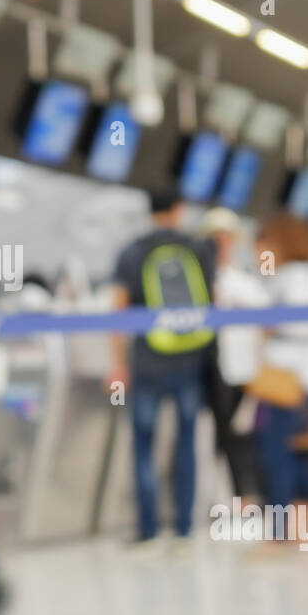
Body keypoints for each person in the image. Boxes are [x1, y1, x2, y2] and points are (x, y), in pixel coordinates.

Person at [107, 188, 215, 549]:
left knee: (143, 446)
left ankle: (149, 529)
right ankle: (184, 527)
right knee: (187, 445)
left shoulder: (134, 251)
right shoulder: (198, 249)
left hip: (148, 362)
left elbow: (118, 311)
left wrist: (117, 364)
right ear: (179, 209)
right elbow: (213, 304)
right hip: (190, 359)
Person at [252, 213, 308, 512]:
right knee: (303, 452)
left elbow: (291, 325)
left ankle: (280, 527)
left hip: (291, 380)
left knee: (279, 454)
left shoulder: (293, 276)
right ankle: (302, 525)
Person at [200, 207, 268, 502]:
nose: (220, 244)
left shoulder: (247, 285)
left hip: (240, 372)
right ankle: (211, 500)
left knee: (238, 439)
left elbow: (267, 327)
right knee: (209, 438)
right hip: (206, 370)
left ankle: (243, 500)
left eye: (225, 237)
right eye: (215, 238)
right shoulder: (199, 282)